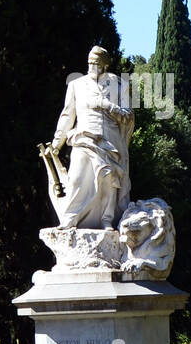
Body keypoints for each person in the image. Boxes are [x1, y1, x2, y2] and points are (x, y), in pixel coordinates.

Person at [50, 46, 134, 230]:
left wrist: (108, 106)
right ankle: (70, 218)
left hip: (110, 140)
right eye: (89, 62)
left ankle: (106, 219)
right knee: (77, 177)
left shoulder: (119, 84)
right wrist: (57, 142)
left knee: (109, 179)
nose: (91, 66)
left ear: (104, 66)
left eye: (95, 63)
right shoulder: (76, 85)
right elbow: (67, 116)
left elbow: (128, 116)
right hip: (83, 137)